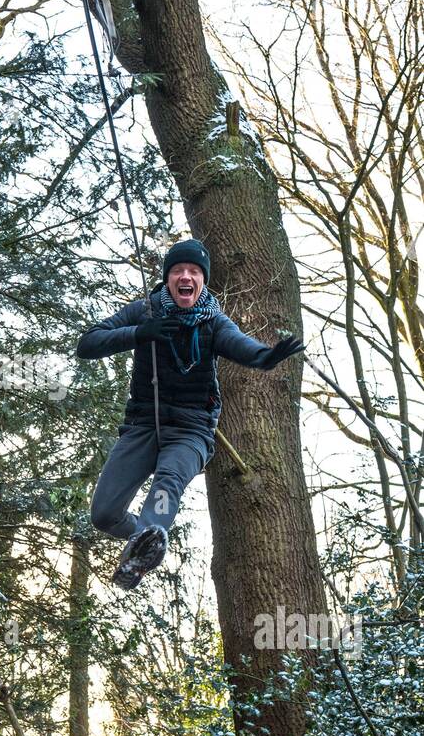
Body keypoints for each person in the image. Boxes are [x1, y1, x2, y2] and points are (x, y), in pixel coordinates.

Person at [76, 239, 304, 590]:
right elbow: (88, 344)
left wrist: (264, 357)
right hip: (142, 425)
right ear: (168, 279)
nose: (186, 276)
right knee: (104, 514)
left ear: (203, 280)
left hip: (191, 430)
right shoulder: (146, 311)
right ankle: (141, 537)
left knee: (168, 480)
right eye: (178, 271)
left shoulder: (213, 321)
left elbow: (238, 344)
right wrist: (139, 333)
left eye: (194, 272)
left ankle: (148, 539)